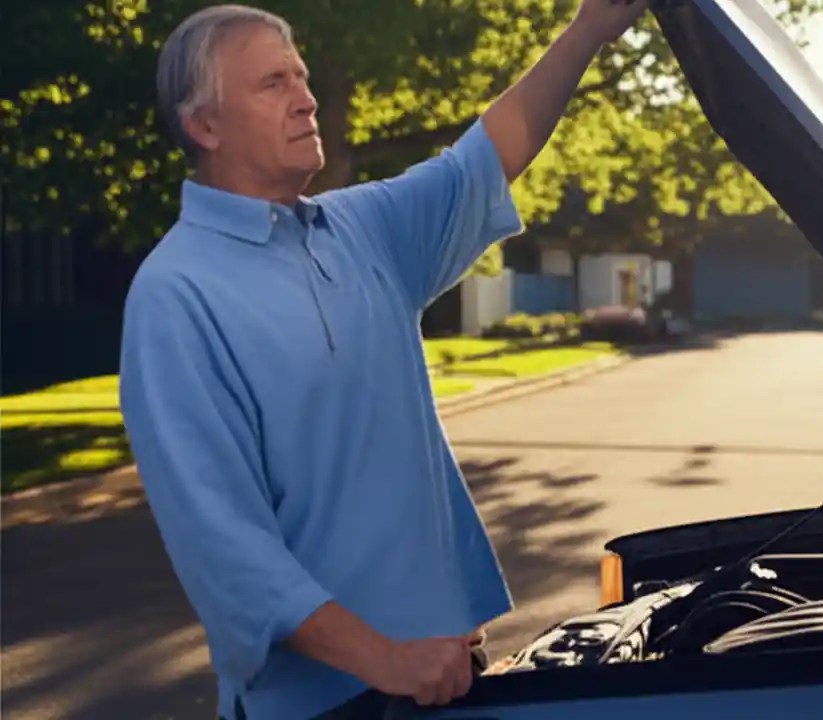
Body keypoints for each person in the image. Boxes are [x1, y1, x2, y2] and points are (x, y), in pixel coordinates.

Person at [118, 2, 648, 718]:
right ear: (204, 126)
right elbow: (226, 548)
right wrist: (386, 659)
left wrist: (589, 28)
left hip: (442, 675)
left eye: (302, 76)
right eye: (272, 83)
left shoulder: (361, 229)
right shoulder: (175, 293)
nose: (306, 99)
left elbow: (487, 156)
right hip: (331, 702)